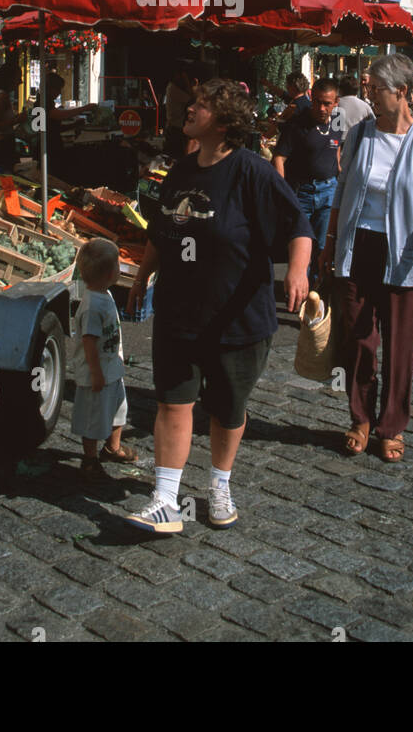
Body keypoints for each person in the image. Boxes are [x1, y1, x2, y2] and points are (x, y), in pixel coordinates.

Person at [124, 78, 312, 535]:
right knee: (173, 402)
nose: (189, 108)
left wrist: (298, 271)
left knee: (227, 407)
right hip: (179, 311)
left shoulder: (252, 171)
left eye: (201, 106)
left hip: (237, 317)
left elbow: (298, 222)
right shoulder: (181, 171)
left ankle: (219, 484)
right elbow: (162, 229)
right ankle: (165, 500)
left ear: (224, 122)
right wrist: (145, 273)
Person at [320, 53, 413, 463]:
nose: (370, 96)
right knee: (359, 339)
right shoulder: (360, 136)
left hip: (406, 255)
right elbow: (342, 190)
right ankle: (360, 418)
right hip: (359, 248)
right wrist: (329, 241)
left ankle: (391, 426)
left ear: (403, 92)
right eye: (368, 89)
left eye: (376, 90)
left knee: (400, 346)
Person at [72, 238, 139, 481]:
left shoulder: (104, 294)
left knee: (119, 409)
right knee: (93, 416)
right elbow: (89, 342)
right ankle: (89, 458)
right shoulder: (92, 305)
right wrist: (96, 372)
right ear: (112, 273)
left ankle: (113, 447)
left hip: (112, 369)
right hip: (96, 375)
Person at [273, 78, 341, 281]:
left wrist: (340, 174)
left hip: (329, 190)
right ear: (311, 98)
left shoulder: (338, 120)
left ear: (335, 102)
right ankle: (297, 283)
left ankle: (315, 288)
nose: (321, 108)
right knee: (300, 243)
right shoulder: (297, 124)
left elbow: (336, 149)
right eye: (317, 102)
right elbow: (279, 158)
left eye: (327, 103)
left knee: (322, 244)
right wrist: (282, 193)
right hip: (301, 192)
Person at [164, 66, 198, 157]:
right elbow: (192, 99)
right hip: (176, 127)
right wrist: (188, 84)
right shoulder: (173, 88)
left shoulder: (174, 88)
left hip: (175, 126)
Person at [333, 75, 374, 147]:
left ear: (340, 89)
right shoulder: (365, 106)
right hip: (359, 143)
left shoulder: (335, 105)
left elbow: (333, 128)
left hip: (339, 143)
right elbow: (374, 125)